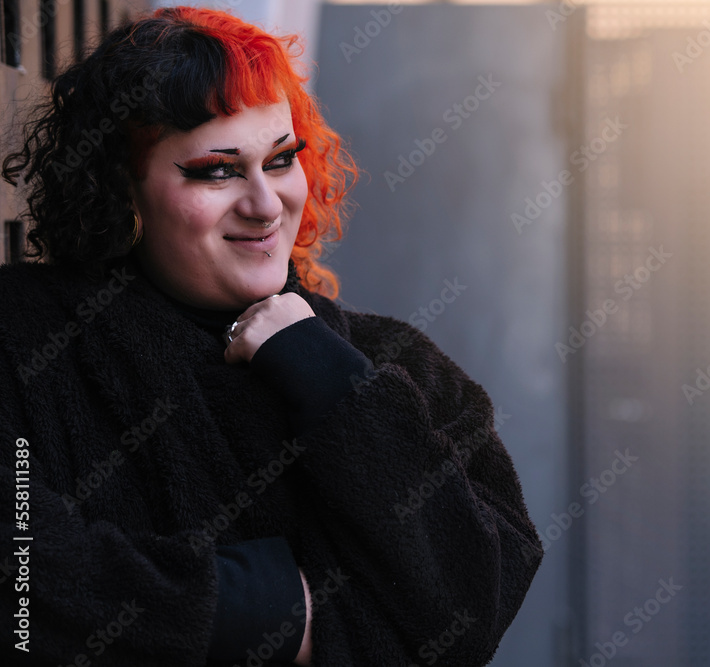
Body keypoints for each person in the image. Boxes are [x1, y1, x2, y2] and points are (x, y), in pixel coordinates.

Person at [0, 6, 543, 666]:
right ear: (122, 186)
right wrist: (275, 608)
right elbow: (24, 584)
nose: (264, 203)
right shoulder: (25, 337)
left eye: (281, 159)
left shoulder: (395, 365)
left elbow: (472, 603)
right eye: (216, 169)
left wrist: (330, 380)